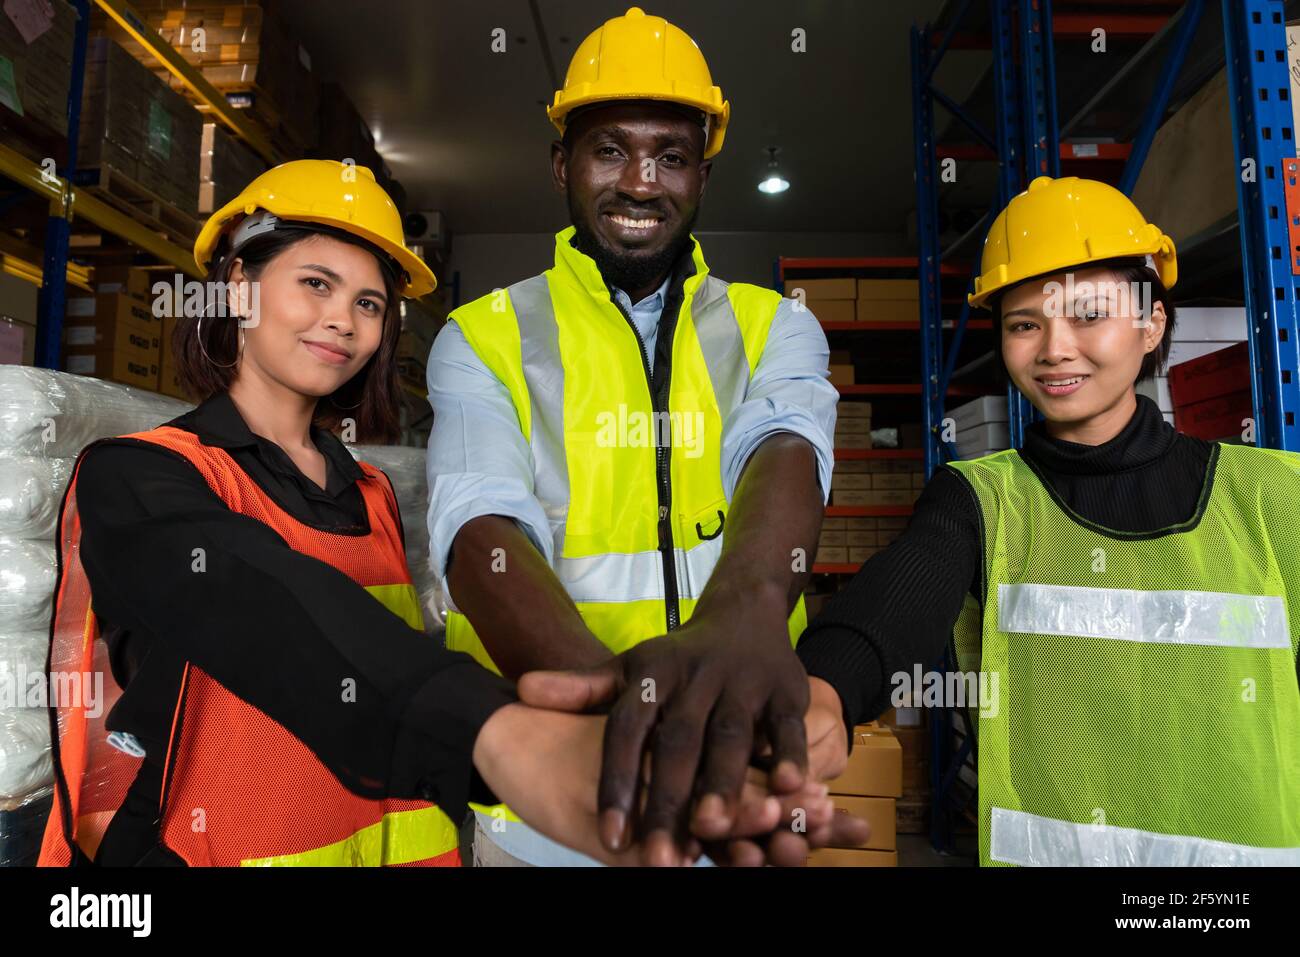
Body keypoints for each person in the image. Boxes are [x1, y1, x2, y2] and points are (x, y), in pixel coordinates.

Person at [38, 159, 859, 867]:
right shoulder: (142, 477)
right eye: (316, 284)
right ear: (241, 287)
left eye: (369, 304)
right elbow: (263, 601)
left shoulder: (375, 497)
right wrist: (503, 734)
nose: (343, 321)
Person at [426, 7, 838, 866]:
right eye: (610, 149)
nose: (642, 182)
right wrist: (636, 728)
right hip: (551, 801)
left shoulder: (776, 328)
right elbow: (479, 527)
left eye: (673, 156)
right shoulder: (482, 334)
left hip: (735, 780)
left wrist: (748, 613)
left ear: (703, 176)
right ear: (560, 164)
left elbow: (785, 449)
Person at [787, 176, 1300, 865]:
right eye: (1025, 323)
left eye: (1089, 313)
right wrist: (823, 690)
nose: (1054, 348)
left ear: (1151, 323)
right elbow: (899, 600)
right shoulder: (980, 499)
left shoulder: (1271, 493)